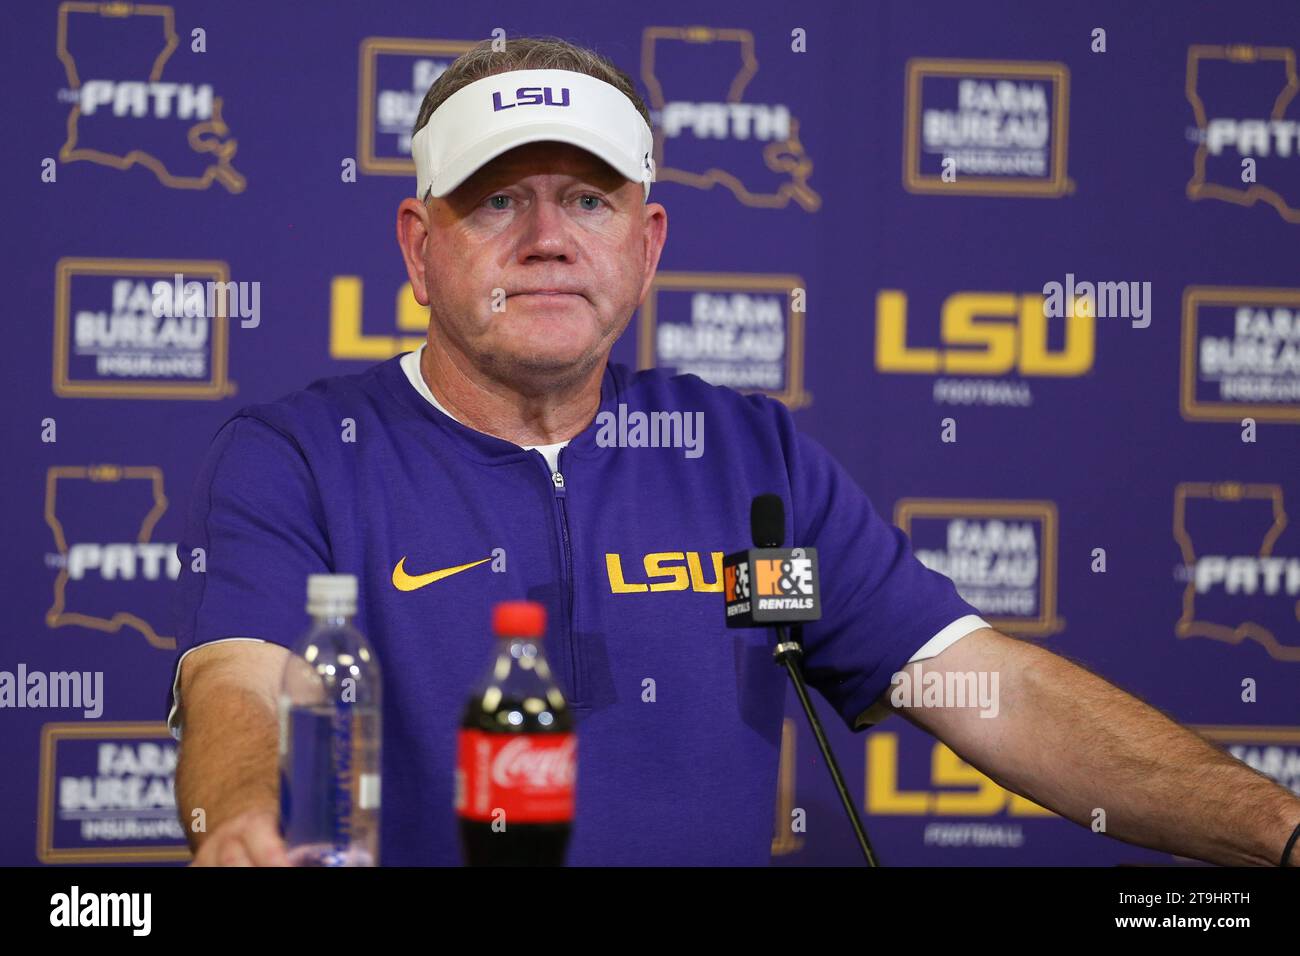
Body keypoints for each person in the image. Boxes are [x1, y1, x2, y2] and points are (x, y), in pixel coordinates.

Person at [169, 36, 1300, 867]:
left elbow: (982, 683)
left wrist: (1273, 823)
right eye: (498, 198)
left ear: (647, 243)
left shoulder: (742, 452)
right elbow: (240, 682)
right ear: (419, 246)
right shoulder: (307, 456)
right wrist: (237, 823)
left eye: (590, 200)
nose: (550, 238)